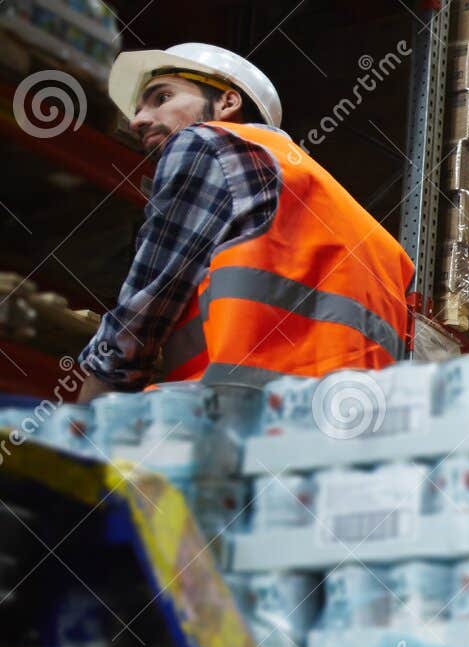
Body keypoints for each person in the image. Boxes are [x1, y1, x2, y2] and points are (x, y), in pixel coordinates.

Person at [76, 44, 413, 399]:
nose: (137, 120)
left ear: (227, 102)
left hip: (245, 421)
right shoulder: (382, 244)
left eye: (162, 97)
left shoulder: (207, 143)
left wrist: (95, 399)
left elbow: (148, 301)